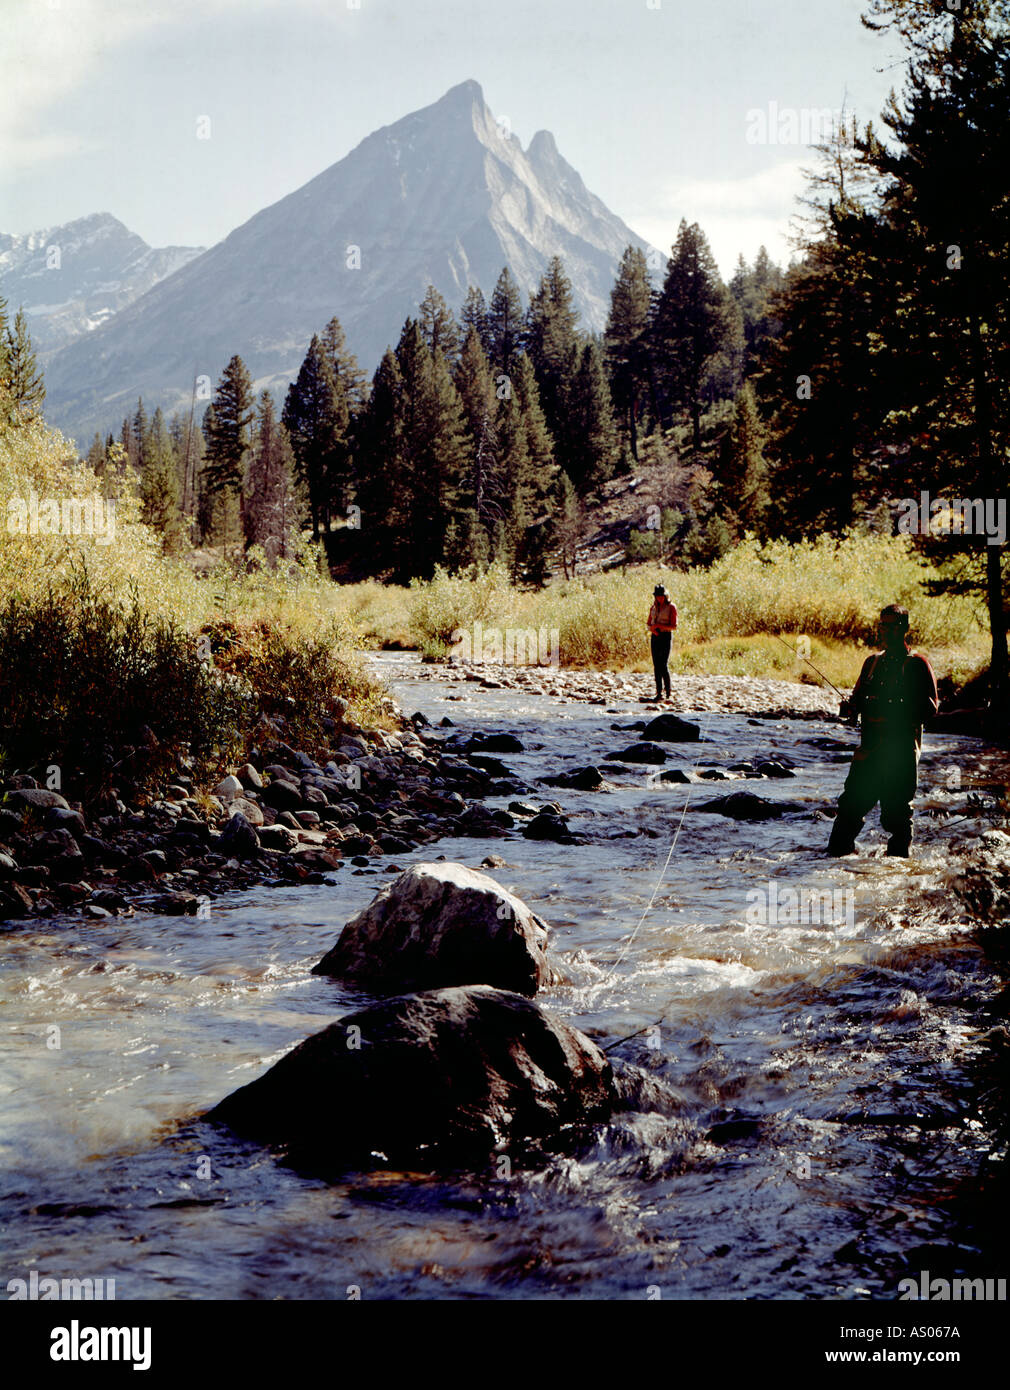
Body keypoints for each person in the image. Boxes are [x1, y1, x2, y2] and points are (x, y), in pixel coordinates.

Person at [827, 604, 939, 858]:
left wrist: (895, 712)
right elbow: (855, 702)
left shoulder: (917, 664)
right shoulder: (871, 663)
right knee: (849, 809)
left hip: (900, 754)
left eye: (892, 625)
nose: (885, 631)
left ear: (905, 629)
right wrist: (850, 708)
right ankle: (834, 863)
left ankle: (898, 871)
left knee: (896, 816)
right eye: (882, 625)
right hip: (868, 753)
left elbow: (930, 709)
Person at [646, 584, 677, 701]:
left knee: (663, 665)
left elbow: (674, 626)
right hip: (655, 638)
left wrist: (659, 626)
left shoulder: (672, 607)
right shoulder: (653, 608)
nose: (659, 598)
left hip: (666, 637)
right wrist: (652, 628)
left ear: (665, 595)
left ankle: (668, 692)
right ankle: (659, 693)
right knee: (656, 666)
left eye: (661, 596)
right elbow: (648, 624)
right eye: (657, 596)